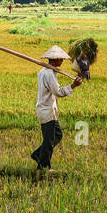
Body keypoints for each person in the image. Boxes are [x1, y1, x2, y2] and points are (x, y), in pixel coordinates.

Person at [30, 45, 83, 174]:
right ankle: (44, 166)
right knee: (49, 140)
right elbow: (58, 92)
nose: (62, 61)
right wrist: (73, 85)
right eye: (61, 59)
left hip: (49, 110)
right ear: (56, 59)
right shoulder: (48, 73)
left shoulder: (46, 71)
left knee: (57, 135)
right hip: (47, 110)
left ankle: (38, 155)